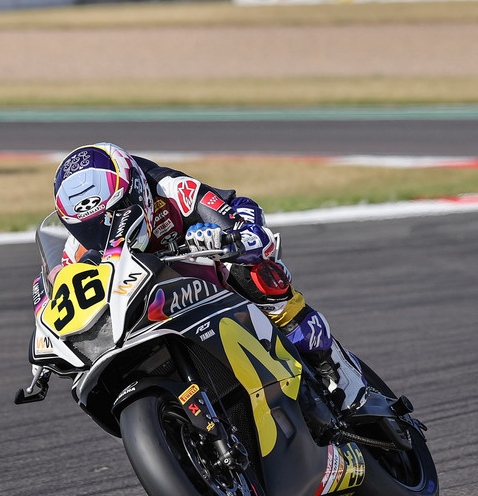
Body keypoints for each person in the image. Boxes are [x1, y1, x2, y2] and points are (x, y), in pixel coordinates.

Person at [51, 142, 365, 411]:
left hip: (206, 261)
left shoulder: (171, 190)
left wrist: (224, 238)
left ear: (136, 193)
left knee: (250, 270)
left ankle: (330, 363)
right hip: (150, 302)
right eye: (89, 228)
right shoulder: (74, 253)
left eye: (115, 214)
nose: (103, 232)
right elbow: (69, 302)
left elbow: (241, 222)